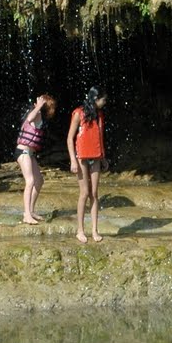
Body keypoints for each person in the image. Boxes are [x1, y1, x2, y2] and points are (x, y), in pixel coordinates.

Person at [67, 88, 106, 244]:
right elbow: (70, 138)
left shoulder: (99, 115)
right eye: (103, 99)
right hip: (82, 157)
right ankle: (80, 230)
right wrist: (72, 160)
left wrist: (103, 157)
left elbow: (101, 137)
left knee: (94, 193)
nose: (105, 102)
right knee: (84, 193)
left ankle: (95, 230)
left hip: (96, 157)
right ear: (95, 99)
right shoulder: (78, 113)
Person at [15, 94, 57, 225]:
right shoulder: (36, 113)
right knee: (30, 181)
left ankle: (31, 211)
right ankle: (26, 215)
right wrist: (38, 106)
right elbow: (29, 118)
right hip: (23, 152)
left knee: (39, 180)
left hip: (30, 153)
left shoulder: (40, 115)